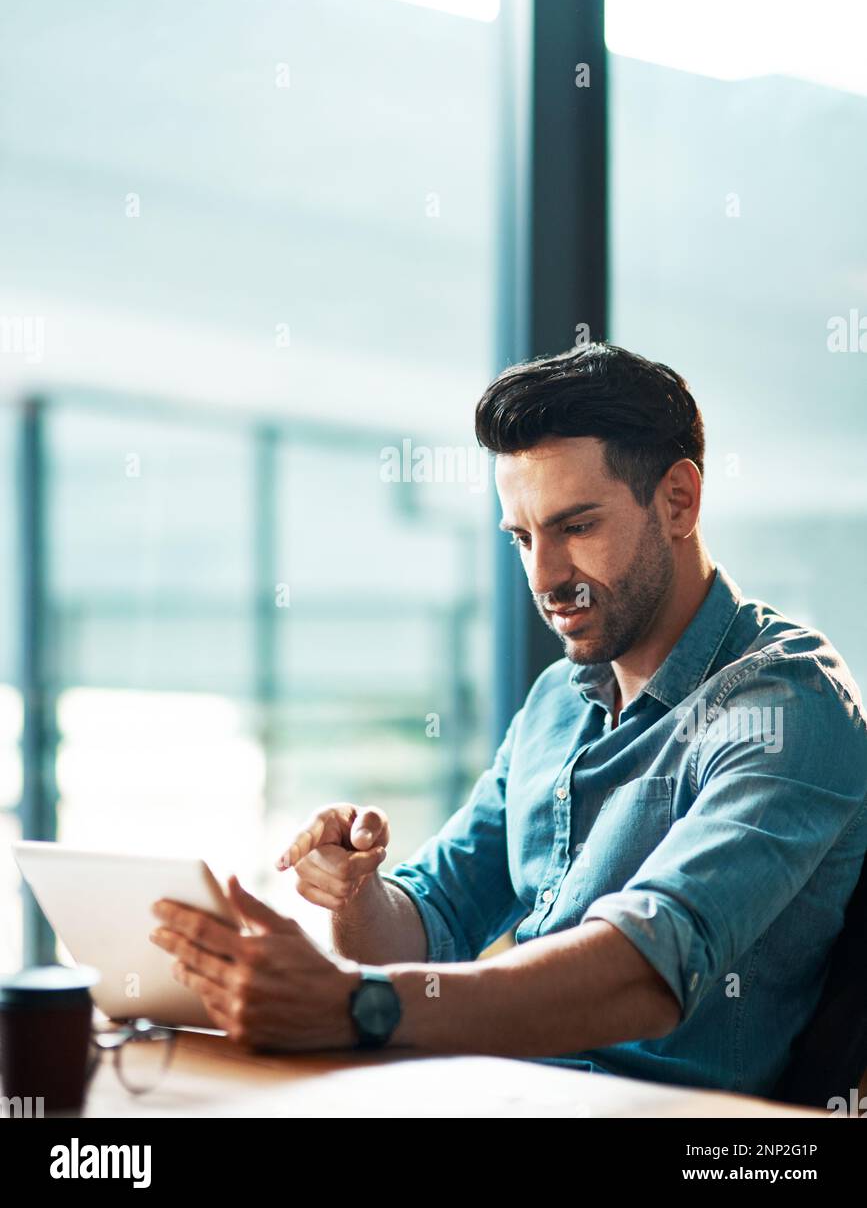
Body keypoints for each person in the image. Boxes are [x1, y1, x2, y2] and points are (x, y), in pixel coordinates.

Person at [151, 342, 867, 1097]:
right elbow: (432, 922)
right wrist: (360, 893)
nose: (544, 577)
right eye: (522, 538)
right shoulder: (558, 700)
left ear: (678, 501)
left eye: (576, 527)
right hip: (508, 1093)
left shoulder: (785, 707)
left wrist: (353, 1005)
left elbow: (643, 970)